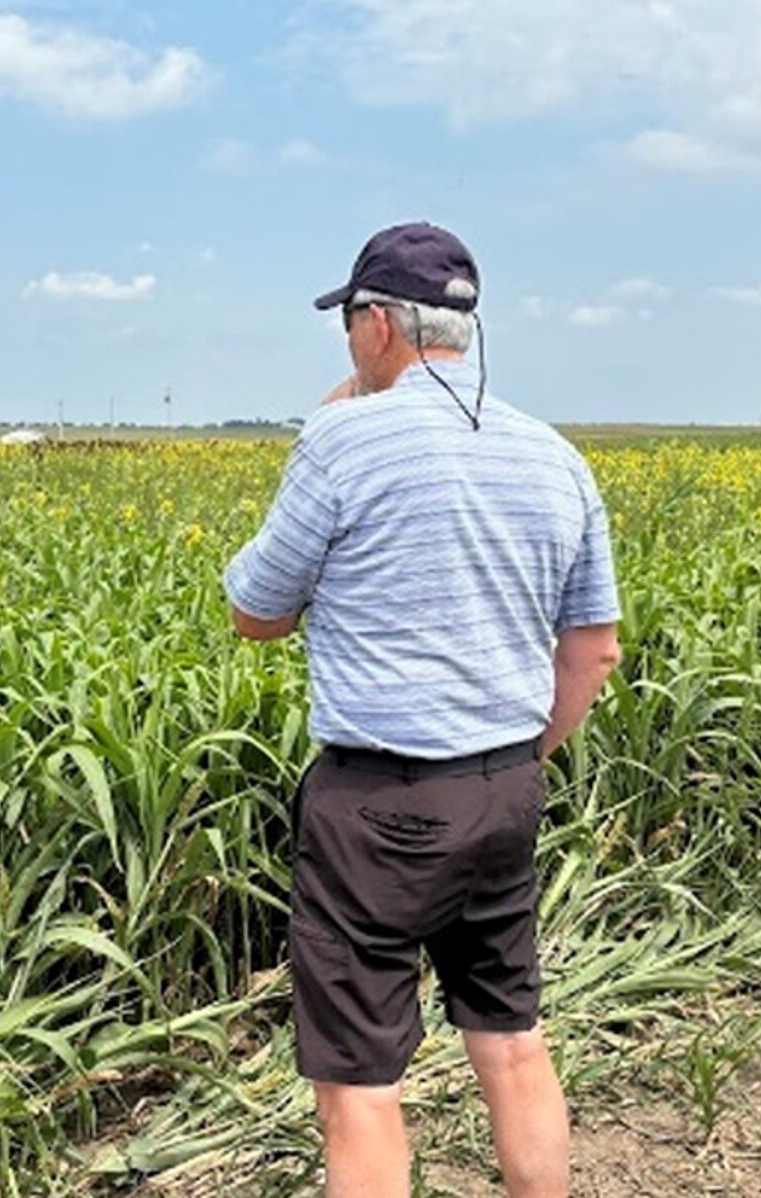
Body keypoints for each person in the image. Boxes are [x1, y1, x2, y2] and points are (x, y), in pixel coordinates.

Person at [224, 222, 623, 1198]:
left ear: (372, 325)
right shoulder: (553, 454)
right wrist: (523, 754)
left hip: (377, 804)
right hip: (503, 787)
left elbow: (255, 611)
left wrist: (335, 419)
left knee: (358, 1082)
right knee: (511, 1038)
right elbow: (594, 647)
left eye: (348, 325)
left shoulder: (340, 441)